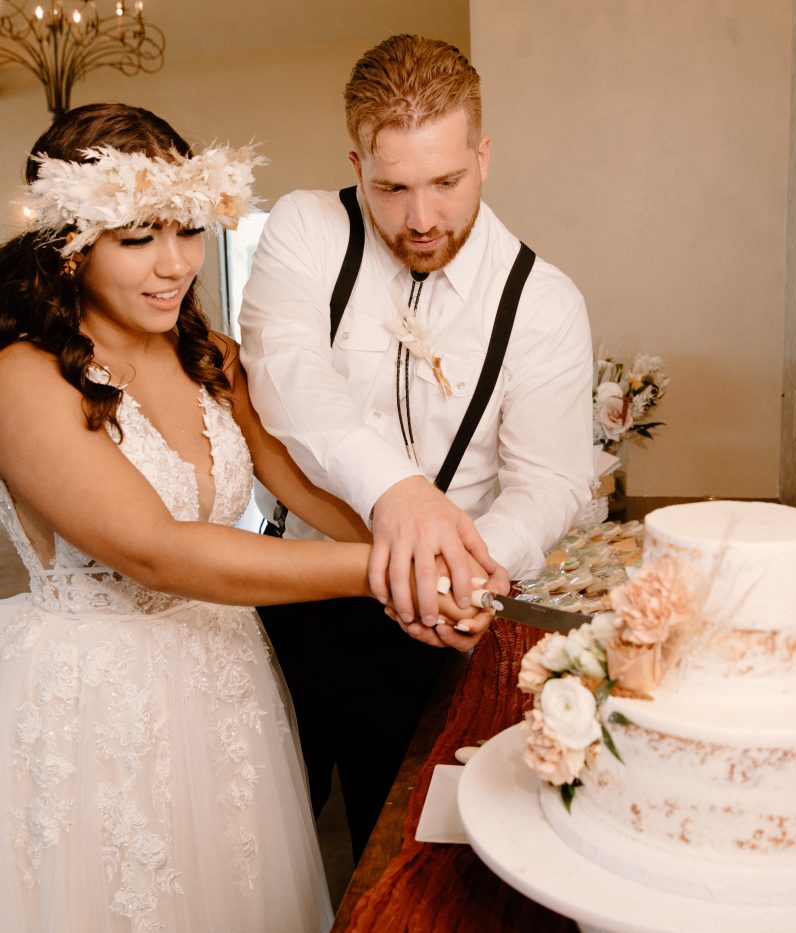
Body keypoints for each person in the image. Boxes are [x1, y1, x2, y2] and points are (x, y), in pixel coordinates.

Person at [0, 103, 489, 933]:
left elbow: (293, 480)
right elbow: (158, 550)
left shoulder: (207, 356)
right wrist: (382, 573)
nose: (173, 265)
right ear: (70, 244)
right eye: (138, 238)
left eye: (185, 230)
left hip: (222, 683)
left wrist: (429, 557)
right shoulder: (19, 380)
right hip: (92, 708)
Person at [239, 34, 594, 857]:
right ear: (356, 161)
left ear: (484, 154)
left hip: (433, 627)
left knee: (391, 845)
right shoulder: (306, 228)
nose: (421, 218)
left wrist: (465, 575)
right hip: (291, 589)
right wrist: (399, 490)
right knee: (255, 840)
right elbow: (285, 375)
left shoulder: (544, 302)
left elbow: (548, 479)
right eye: (392, 187)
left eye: (446, 181)